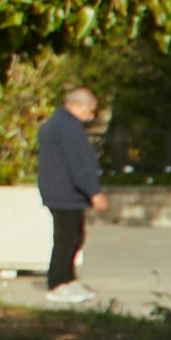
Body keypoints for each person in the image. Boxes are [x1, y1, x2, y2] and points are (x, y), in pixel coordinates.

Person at [37, 84, 107, 289]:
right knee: (69, 238)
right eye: (90, 110)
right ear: (77, 106)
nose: (91, 115)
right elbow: (80, 162)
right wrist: (94, 192)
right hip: (67, 192)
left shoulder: (53, 124)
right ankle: (60, 280)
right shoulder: (70, 128)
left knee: (69, 236)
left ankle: (65, 277)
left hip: (56, 190)